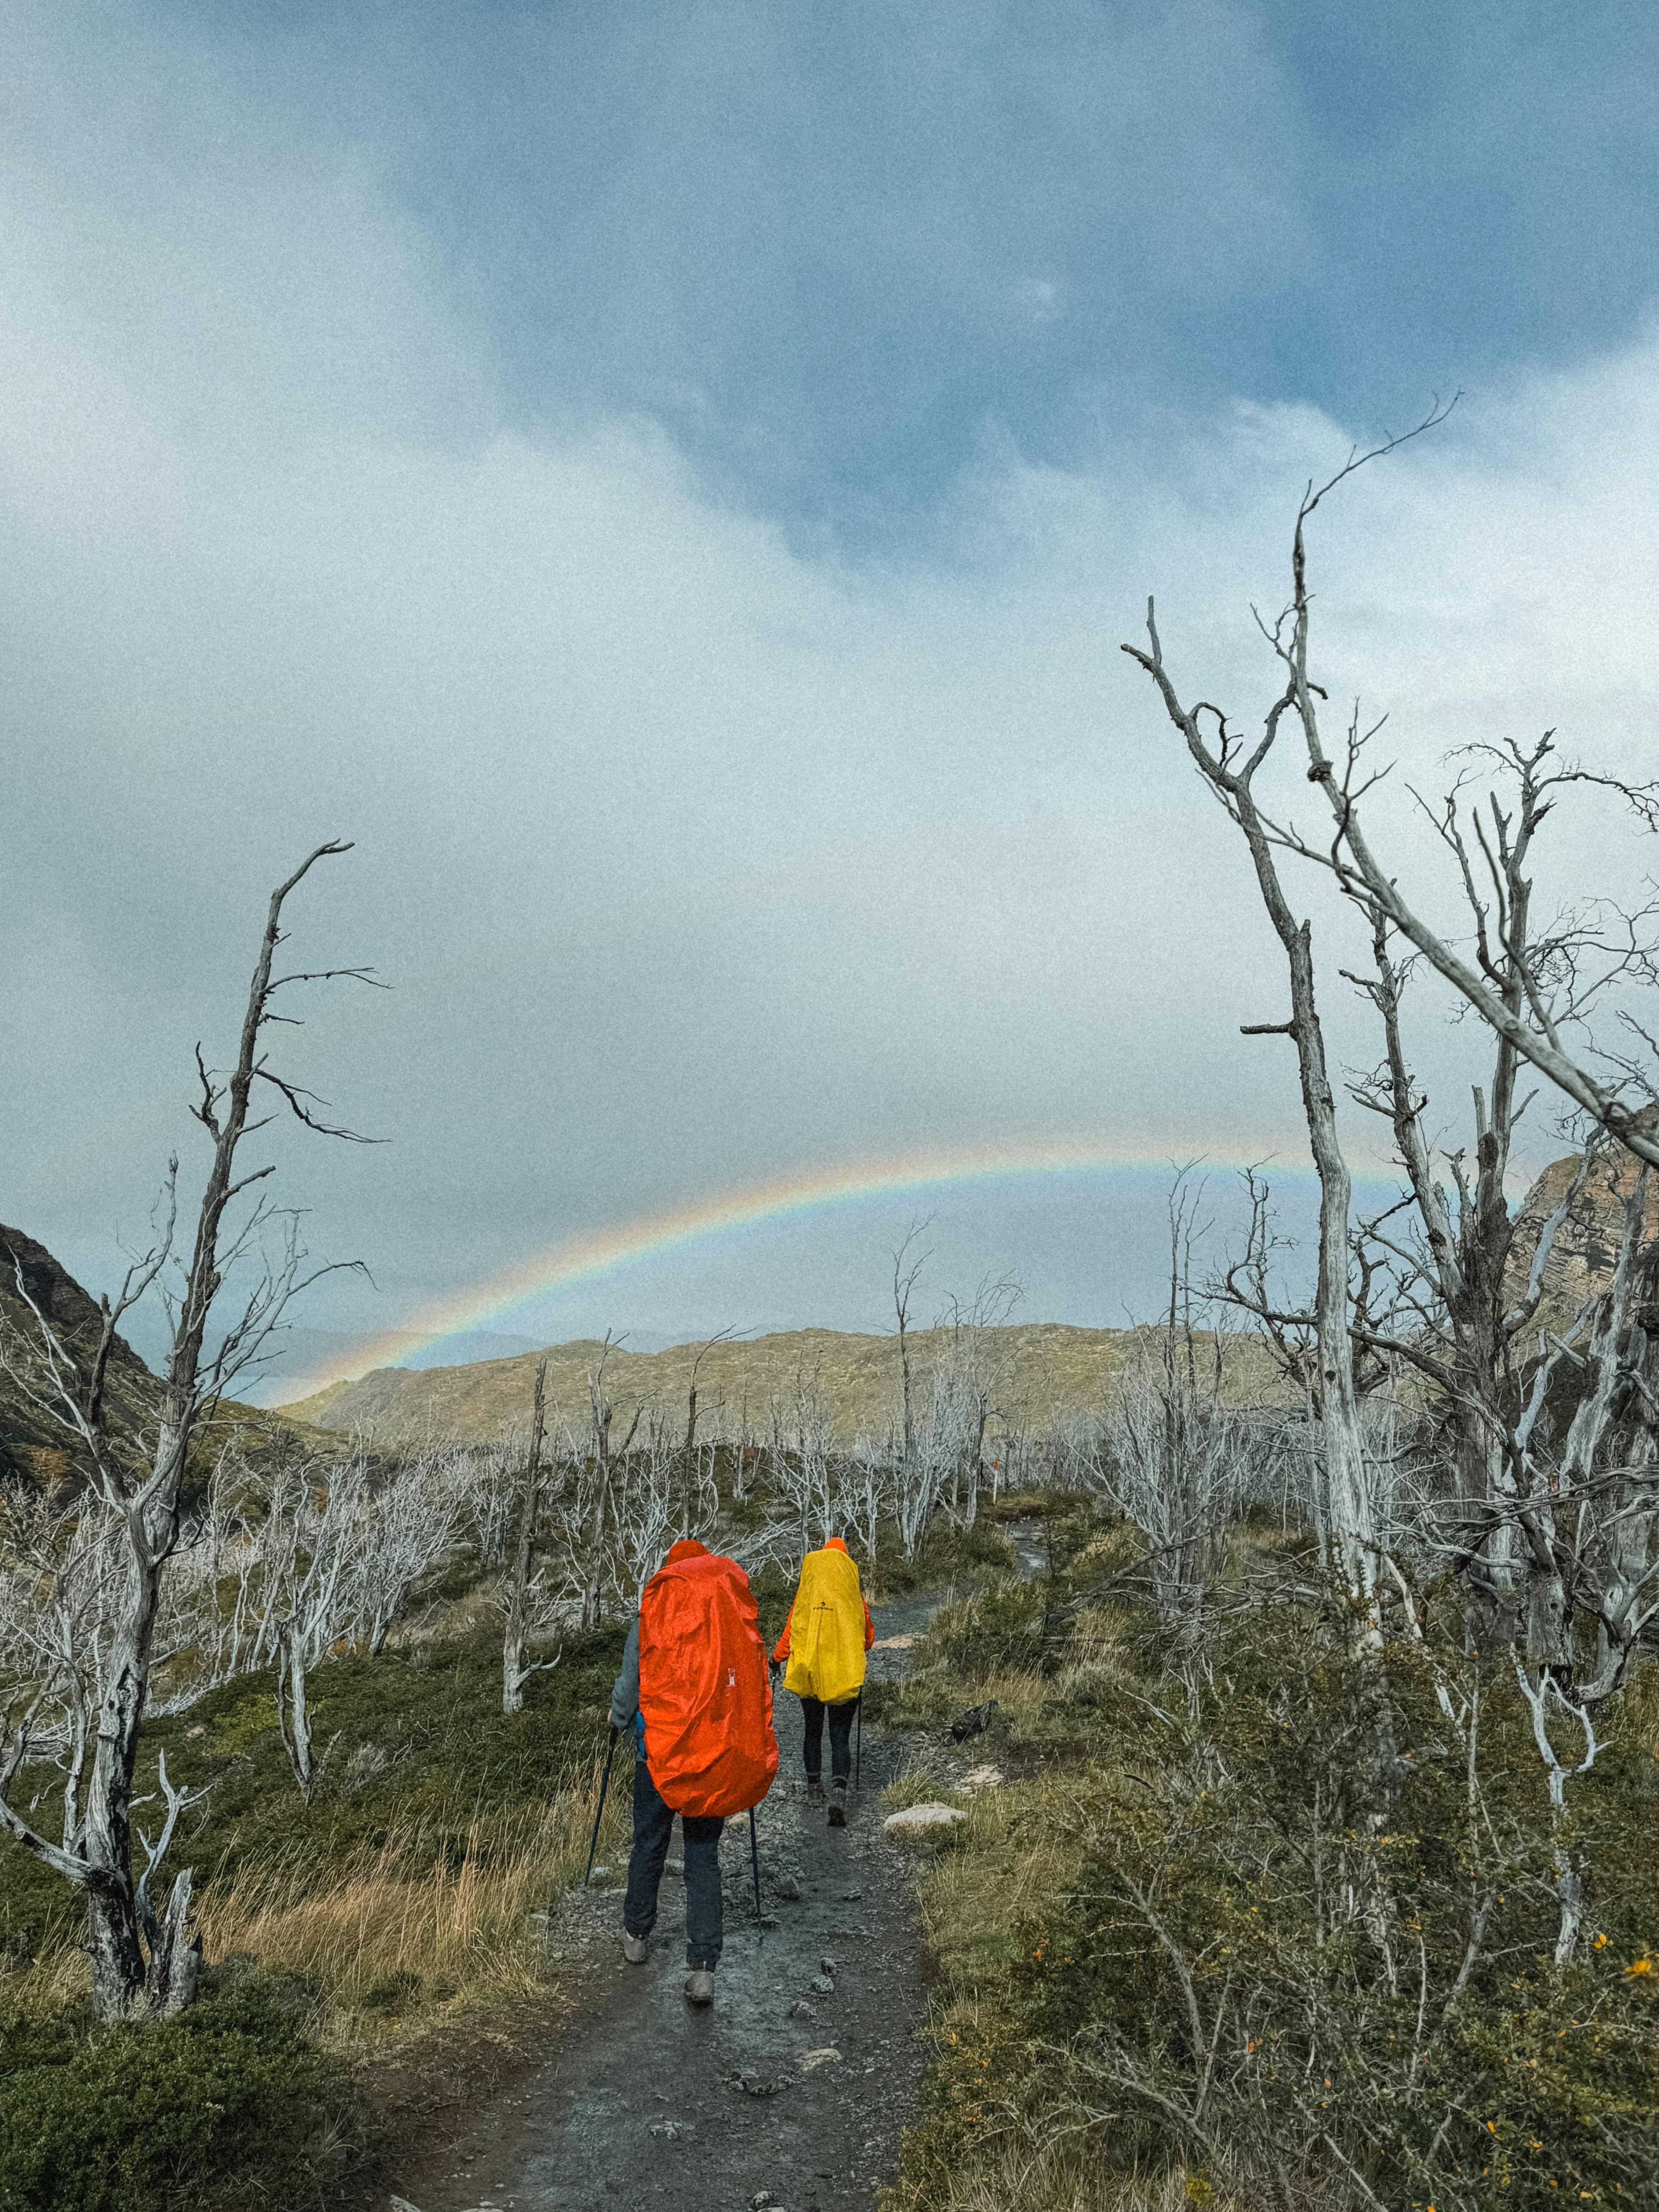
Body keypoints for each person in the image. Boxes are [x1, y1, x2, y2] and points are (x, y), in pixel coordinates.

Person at [609, 1536, 776, 2005]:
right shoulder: (726, 1617)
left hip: (658, 1754)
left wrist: (618, 1719)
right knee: (703, 1857)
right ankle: (702, 1967)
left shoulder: (656, 1606)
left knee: (649, 1841)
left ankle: (637, 1938)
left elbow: (632, 1677)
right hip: (712, 1759)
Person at [771, 1529, 874, 1827]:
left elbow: (793, 1627)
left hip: (811, 1672)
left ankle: (814, 1789)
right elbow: (867, 1638)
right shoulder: (852, 1595)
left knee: (812, 1731)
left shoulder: (809, 1593)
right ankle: (839, 1792)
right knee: (840, 1735)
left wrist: (776, 1658)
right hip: (842, 1673)